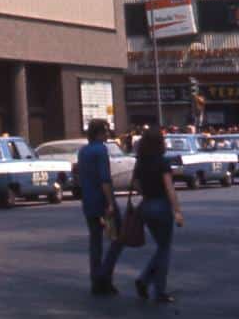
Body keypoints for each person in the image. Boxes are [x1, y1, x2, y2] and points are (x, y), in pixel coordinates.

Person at [129, 127, 184, 303]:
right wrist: (177, 211)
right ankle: (156, 288)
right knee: (164, 249)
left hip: (146, 205)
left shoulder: (140, 162)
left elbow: (136, 184)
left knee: (161, 247)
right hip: (161, 205)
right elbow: (169, 188)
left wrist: (146, 192)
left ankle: (145, 280)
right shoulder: (162, 162)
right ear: (160, 143)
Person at [77, 119, 125, 296]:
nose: (108, 135)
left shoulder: (83, 151)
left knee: (95, 241)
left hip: (88, 201)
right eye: (105, 131)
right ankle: (103, 276)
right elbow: (105, 179)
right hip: (103, 202)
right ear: (99, 133)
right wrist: (111, 203)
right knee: (117, 237)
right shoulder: (101, 150)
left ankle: (96, 281)